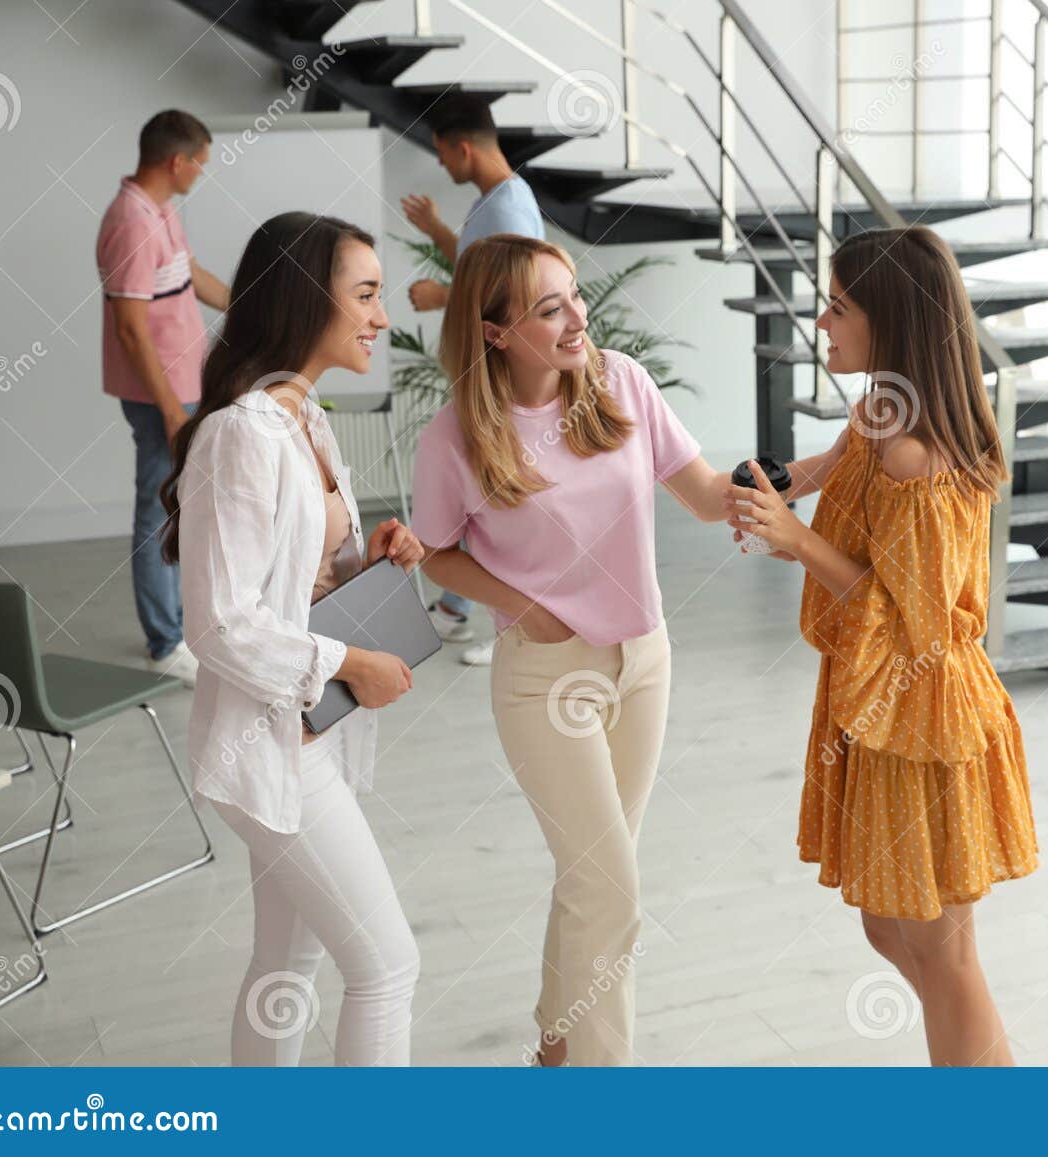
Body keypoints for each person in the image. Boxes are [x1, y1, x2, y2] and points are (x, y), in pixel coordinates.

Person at [725, 225, 1041, 1067]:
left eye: (837, 307)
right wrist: (777, 487)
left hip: (922, 710)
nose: (822, 324)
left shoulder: (915, 456)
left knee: (943, 953)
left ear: (890, 320)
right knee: (890, 930)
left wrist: (794, 542)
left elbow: (920, 624)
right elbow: (829, 468)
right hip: (876, 702)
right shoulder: (879, 412)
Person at [410, 234, 728, 1066]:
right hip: (546, 678)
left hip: (645, 662)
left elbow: (707, 497)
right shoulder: (454, 438)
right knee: (609, 885)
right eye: (549, 308)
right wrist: (521, 606)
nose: (577, 317)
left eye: (575, 295)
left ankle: (556, 1042)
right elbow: (434, 552)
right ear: (495, 332)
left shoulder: (621, 383)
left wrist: (836, 461)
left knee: (595, 876)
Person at [160, 213, 424, 1066]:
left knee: (287, 959)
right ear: (308, 301)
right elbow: (221, 622)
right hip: (270, 739)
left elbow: (296, 584)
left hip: (304, 728)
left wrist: (366, 562)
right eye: (367, 294)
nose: (382, 316)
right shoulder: (242, 433)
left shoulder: (304, 421)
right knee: (387, 967)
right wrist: (350, 660)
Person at [402, 93, 545, 666]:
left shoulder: (508, 210)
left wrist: (442, 295)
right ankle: (459, 608)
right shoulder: (496, 202)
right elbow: (478, 266)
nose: (440, 165)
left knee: (499, 499)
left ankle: (508, 621)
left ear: (462, 147)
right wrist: (438, 229)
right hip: (486, 374)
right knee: (479, 490)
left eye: (441, 154)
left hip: (502, 376)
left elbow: (519, 296)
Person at [97, 109, 230, 686]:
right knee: (158, 515)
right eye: (200, 162)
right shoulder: (131, 222)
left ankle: (183, 626)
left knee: (184, 509)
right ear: (178, 161)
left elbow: (191, 273)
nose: (202, 171)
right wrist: (174, 411)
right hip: (161, 400)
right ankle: (164, 641)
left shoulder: (161, 210)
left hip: (186, 387)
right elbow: (130, 329)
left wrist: (252, 308)